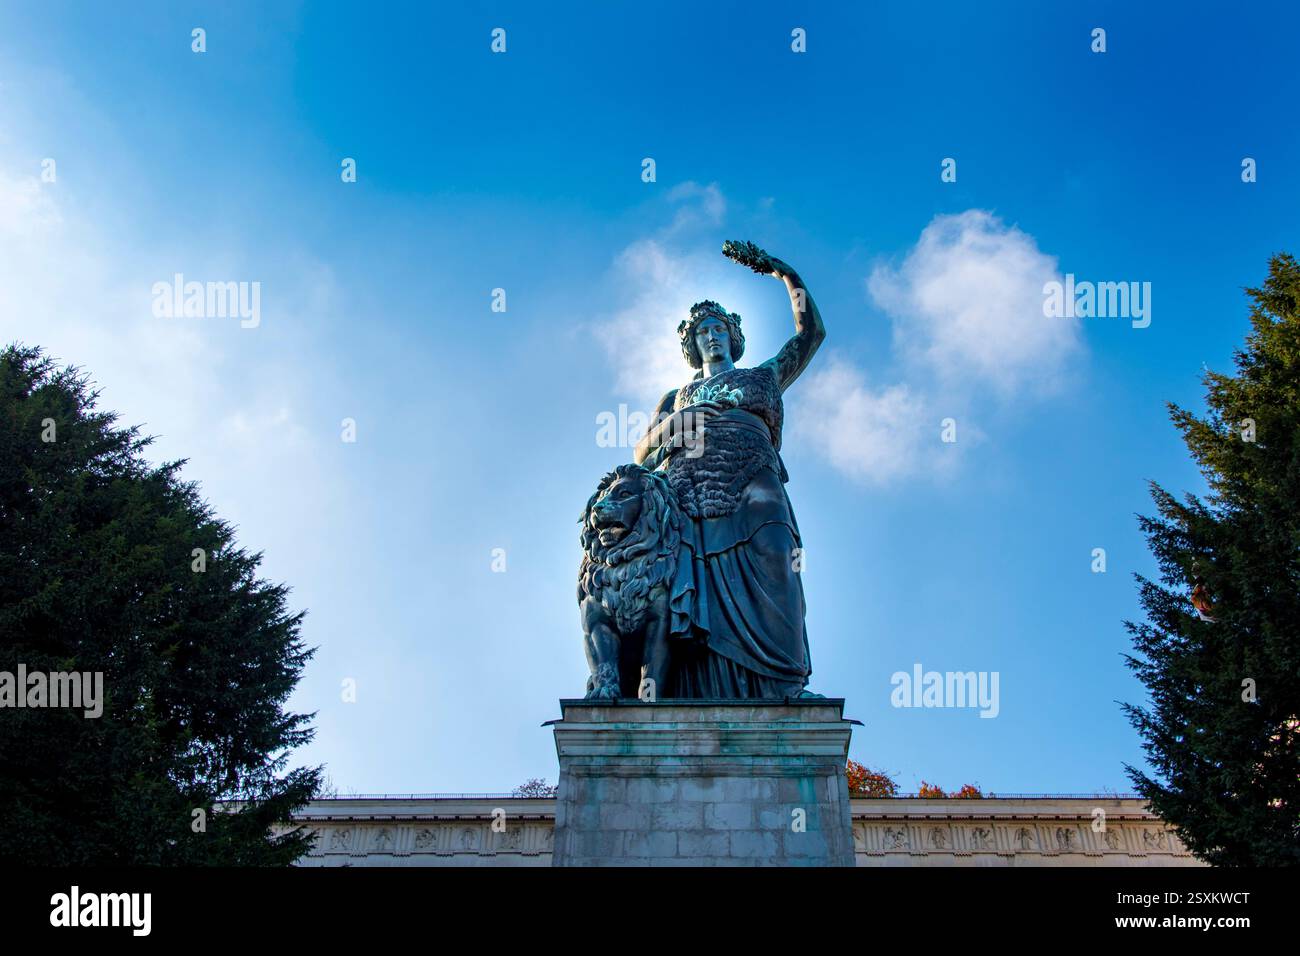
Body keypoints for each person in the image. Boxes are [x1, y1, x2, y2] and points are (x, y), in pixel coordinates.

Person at [633, 241, 825, 698]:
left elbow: (810, 335)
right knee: (696, 584)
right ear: (692, 344)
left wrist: (784, 273)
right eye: (702, 332)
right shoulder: (675, 397)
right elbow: (642, 452)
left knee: (777, 556)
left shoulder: (762, 377)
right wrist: (678, 424)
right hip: (691, 491)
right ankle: (699, 688)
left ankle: (785, 685)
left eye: (719, 328)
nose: (712, 336)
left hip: (755, 478)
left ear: (733, 335)